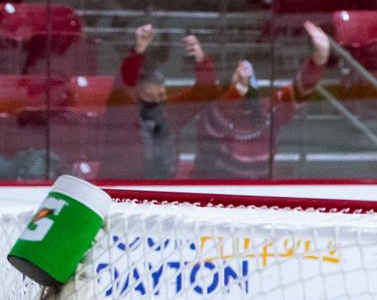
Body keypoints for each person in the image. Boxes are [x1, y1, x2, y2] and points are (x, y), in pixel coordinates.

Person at [174, 21, 331, 181]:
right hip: (214, 194)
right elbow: (217, 122)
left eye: (249, 77)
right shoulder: (212, 114)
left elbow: (298, 91)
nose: (246, 77)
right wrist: (238, 89)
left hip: (256, 194)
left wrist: (319, 59)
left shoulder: (268, 111)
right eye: (239, 76)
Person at [120, 23, 207, 180]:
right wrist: (138, 50)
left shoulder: (171, 111)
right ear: (138, 90)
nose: (159, 98)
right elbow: (125, 81)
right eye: (152, 96)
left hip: (166, 184)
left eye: (162, 94)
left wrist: (201, 61)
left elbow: (203, 93)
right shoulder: (123, 109)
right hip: (125, 187)